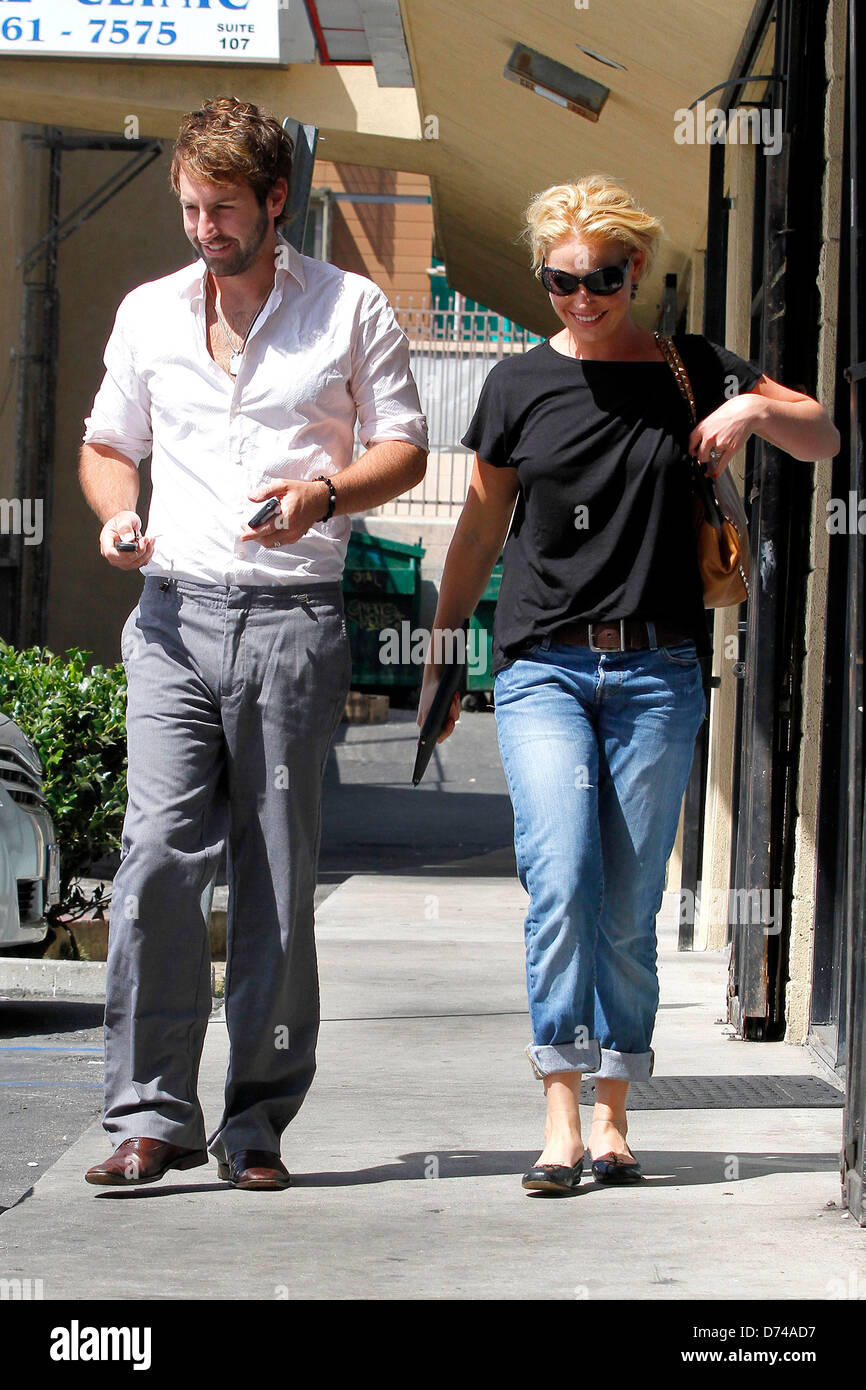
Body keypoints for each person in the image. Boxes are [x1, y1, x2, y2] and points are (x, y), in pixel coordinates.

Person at [419, 174, 840, 1196]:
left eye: (599, 278)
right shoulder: (517, 384)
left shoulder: (691, 367)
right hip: (543, 669)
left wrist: (747, 405)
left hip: (657, 669)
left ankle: (616, 1109)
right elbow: (479, 528)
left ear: (635, 270)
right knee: (560, 877)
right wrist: (440, 649)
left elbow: (822, 434)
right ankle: (558, 1110)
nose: (579, 298)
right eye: (559, 280)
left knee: (626, 899)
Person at [80, 97, 427, 1192]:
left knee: (273, 876)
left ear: (277, 200)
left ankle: (256, 1124)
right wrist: (114, 513)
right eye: (189, 205)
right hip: (173, 620)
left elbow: (405, 449)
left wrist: (323, 494)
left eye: (223, 207)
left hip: (286, 624)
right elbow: (105, 446)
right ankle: (150, 1113)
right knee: (153, 868)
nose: (202, 226)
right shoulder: (146, 312)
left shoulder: (350, 307)